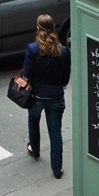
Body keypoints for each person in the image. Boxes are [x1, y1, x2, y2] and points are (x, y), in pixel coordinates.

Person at [17, 13, 70, 179]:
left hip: (37, 96)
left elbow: (27, 73)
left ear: (38, 28)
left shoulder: (32, 49)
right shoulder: (63, 51)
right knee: (55, 133)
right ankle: (57, 169)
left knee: (33, 120)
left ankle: (35, 148)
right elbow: (65, 77)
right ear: (53, 28)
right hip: (55, 96)